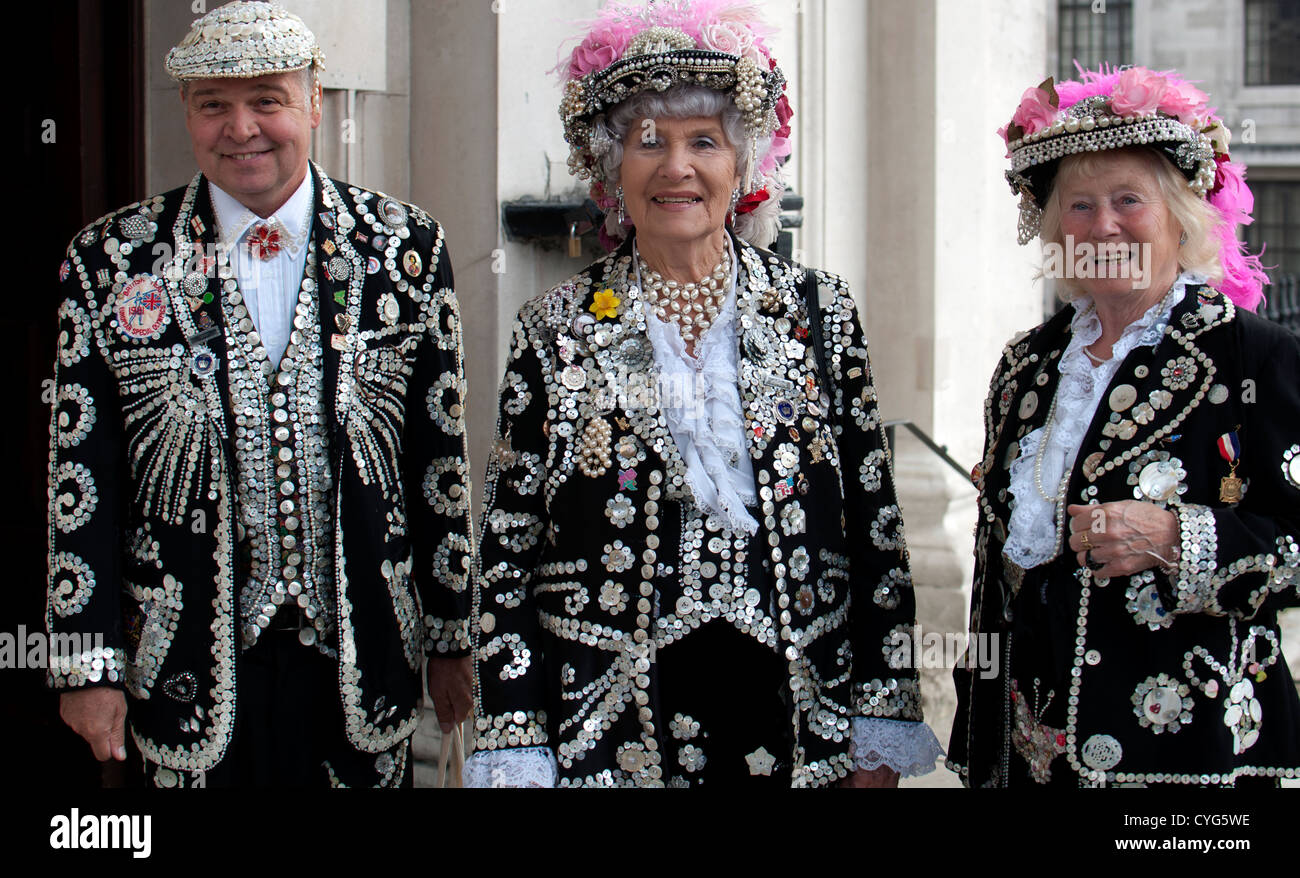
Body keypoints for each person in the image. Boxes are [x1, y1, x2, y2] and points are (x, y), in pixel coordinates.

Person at [467, 0, 942, 788]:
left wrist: (881, 717)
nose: (676, 167)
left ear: (742, 164)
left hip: (796, 719)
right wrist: (517, 737)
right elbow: (509, 547)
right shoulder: (551, 327)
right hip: (613, 726)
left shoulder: (820, 312)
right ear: (612, 166)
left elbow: (874, 528)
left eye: (704, 142)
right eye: (648, 142)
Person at [46, 0, 474, 787]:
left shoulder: (407, 248)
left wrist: (453, 640)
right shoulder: (111, 261)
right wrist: (85, 665)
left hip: (360, 657)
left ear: (314, 101)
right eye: (215, 105)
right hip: (184, 664)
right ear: (186, 113)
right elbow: (84, 478)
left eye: (267, 100)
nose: (241, 128)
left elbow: (438, 464)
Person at [949, 65, 1300, 787]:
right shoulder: (1028, 364)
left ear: (1180, 216)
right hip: (1032, 755)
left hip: (1189, 762)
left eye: (1129, 200)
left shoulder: (1253, 355)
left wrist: (1181, 539)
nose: (1102, 225)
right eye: (1079, 206)